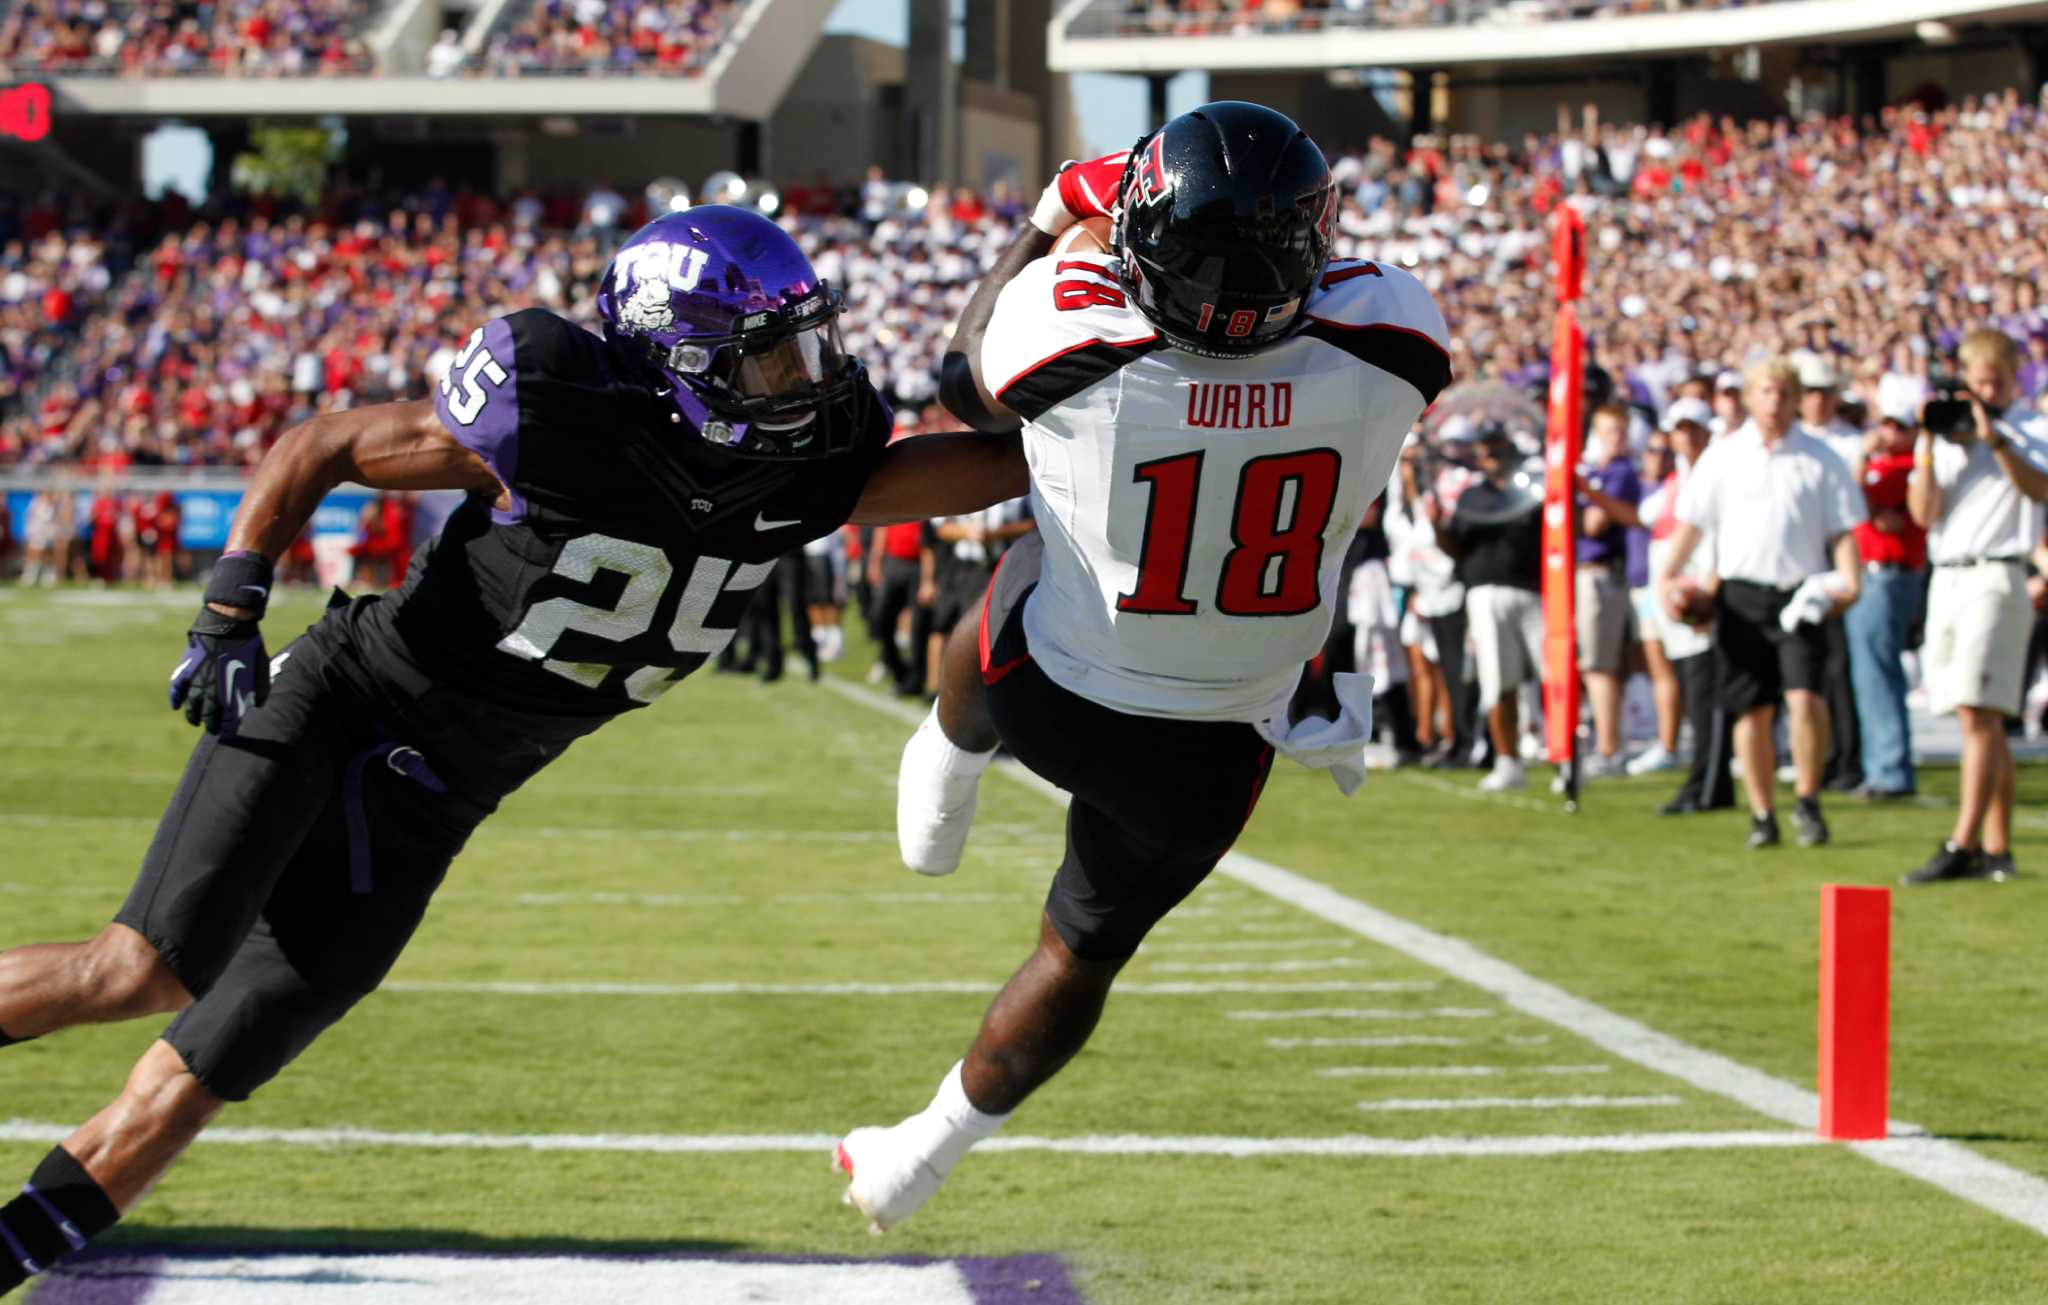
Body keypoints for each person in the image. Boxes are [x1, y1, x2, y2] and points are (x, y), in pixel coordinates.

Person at [0, 206, 1026, 1298]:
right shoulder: (560, 410)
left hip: (434, 804)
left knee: (202, 1074)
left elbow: (999, 465)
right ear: (679, 361)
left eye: (807, 345)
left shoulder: (810, 468)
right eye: (770, 356)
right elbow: (324, 442)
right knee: (143, 969)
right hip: (347, 708)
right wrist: (230, 601)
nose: (805, 378)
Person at [833, 102, 1449, 1231]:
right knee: (1080, 953)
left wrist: (1054, 210)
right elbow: (1302, 303)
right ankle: (918, 1157)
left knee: (1027, 562)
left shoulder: (1073, 338)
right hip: (1220, 741)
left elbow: (963, 377)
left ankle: (948, 758)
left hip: (1055, 690)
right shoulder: (1396, 336)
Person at [1656, 358, 1865, 850]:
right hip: (1741, 595)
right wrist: (1667, 576)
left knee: (1806, 699)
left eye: (1784, 393)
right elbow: (1692, 523)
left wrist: (1850, 581)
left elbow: (1842, 530)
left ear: (1796, 399)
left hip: (1801, 593)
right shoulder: (1725, 456)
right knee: (1751, 710)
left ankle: (1808, 799)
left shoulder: (1821, 457)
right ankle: (1763, 811)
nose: (1775, 403)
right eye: (1766, 392)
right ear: (1750, 398)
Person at [1902, 328, 2048, 883]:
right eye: (1979, 383)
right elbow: (1923, 514)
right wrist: (1926, 442)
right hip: (1947, 574)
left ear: (2014, 380)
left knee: (1976, 711)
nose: (1987, 393)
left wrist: (1996, 440)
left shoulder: (2031, 429)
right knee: (1979, 715)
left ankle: (1961, 842)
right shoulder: (1946, 437)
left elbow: (2039, 489)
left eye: (1997, 383)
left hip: (1999, 572)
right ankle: (1998, 847)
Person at [1434, 424, 1544, 792]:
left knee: (1554, 677)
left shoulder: (1531, 489)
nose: (1492, 455)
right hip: (1484, 593)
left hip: (1533, 590)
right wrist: (1435, 527)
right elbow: (1456, 548)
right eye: (1486, 448)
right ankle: (1507, 761)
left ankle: (1566, 758)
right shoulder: (1470, 498)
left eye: (1497, 447)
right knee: (1498, 682)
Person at [1843, 404, 1928, 800]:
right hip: (1870, 573)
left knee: (1878, 672)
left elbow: (1856, 500)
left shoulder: (1908, 467)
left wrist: (1862, 459)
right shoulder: (1880, 465)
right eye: (1887, 425)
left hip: (1889, 573)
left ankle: (1890, 769)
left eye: (1900, 427)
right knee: (1868, 674)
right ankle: (1879, 765)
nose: (1890, 434)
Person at [1574, 403, 1643, 777]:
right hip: (1589, 573)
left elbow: (1595, 524)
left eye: (1621, 430)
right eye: (1609, 430)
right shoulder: (1598, 471)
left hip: (1602, 573)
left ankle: (1608, 747)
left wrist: (1584, 493)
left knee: (1598, 665)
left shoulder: (1619, 472)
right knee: (1595, 663)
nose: (1616, 438)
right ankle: (1606, 742)